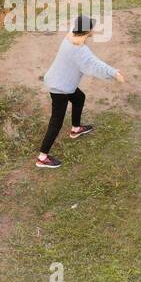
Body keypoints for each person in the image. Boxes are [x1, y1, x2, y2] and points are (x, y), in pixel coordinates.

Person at [36, 15, 125, 169]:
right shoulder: (80, 51)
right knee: (56, 121)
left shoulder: (69, 37)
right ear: (86, 31)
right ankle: (42, 158)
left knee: (79, 98)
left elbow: (77, 27)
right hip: (60, 88)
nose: (93, 30)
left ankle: (76, 129)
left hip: (58, 80)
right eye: (91, 28)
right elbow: (96, 65)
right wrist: (114, 73)